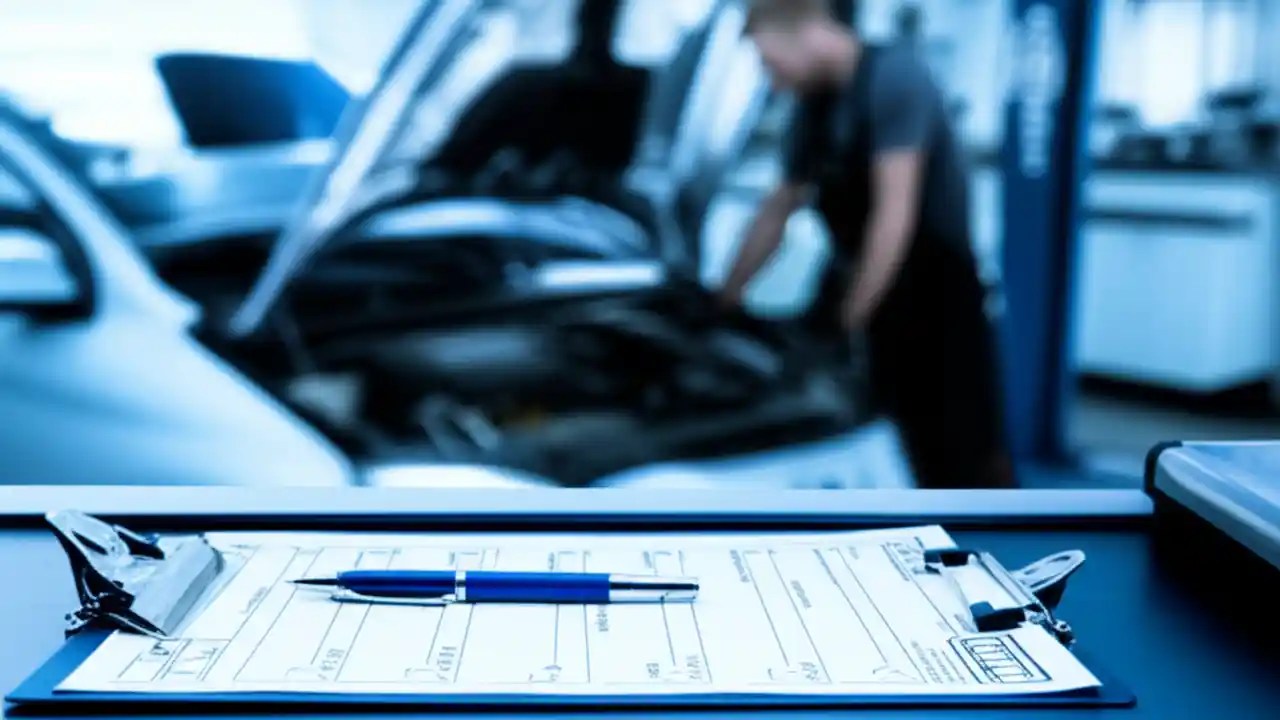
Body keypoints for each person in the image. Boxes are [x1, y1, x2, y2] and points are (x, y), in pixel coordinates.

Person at [718, 0, 1013, 489]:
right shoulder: (813, 105)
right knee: (886, 444)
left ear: (807, 31)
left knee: (962, 453)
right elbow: (777, 209)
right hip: (869, 284)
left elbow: (893, 216)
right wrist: (724, 297)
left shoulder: (895, 79)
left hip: (937, 299)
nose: (772, 80)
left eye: (770, 62)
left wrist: (848, 324)